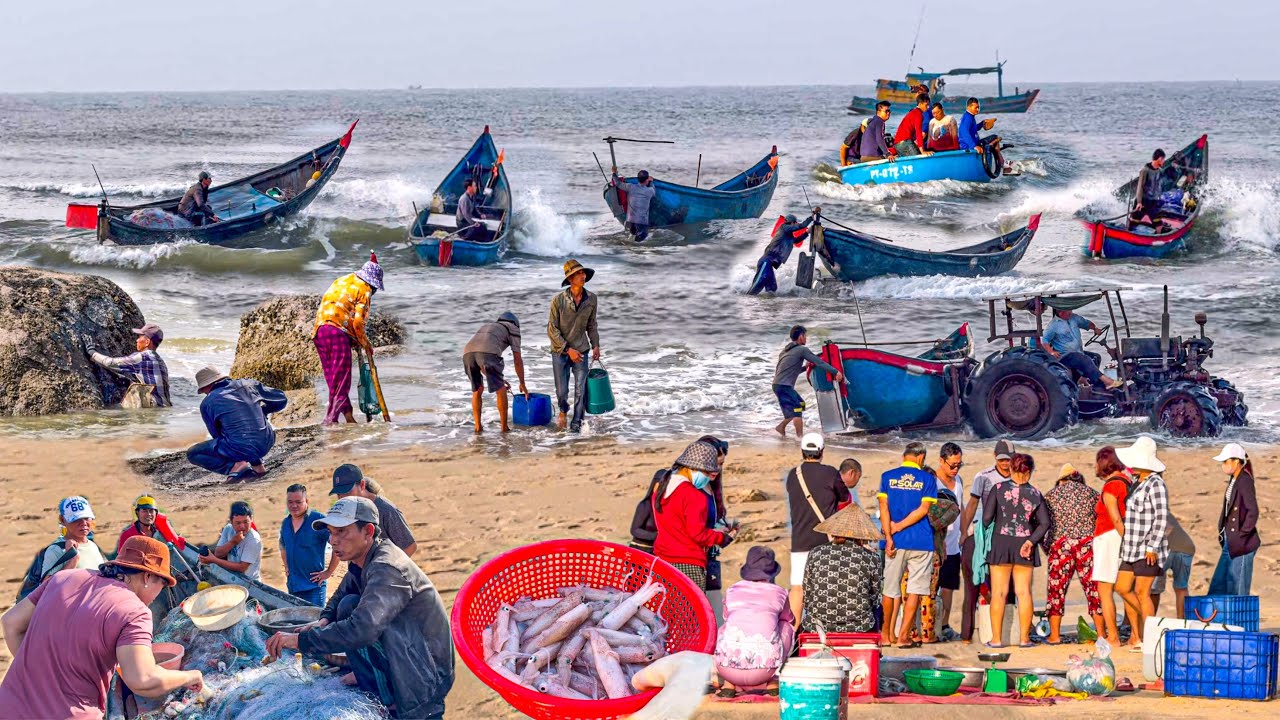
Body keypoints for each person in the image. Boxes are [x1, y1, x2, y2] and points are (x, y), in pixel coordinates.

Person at [265, 497, 454, 719]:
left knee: (357, 621)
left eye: (342, 532)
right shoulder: (362, 559)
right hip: (404, 645)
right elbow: (342, 593)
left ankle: (397, 700)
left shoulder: (386, 568)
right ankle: (374, 682)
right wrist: (324, 619)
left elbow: (362, 629)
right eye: (331, 533)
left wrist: (300, 640)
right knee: (347, 604)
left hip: (425, 671)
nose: (333, 541)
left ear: (368, 531)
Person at [0, 536, 203, 719]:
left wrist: (40, 675)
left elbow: (11, 622)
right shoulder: (136, 611)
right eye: (162, 585)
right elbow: (143, 679)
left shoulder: (63, 578)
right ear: (148, 577)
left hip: (9, 707)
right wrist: (189, 676)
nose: (159, 593)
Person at [982, 453, 1049, 648]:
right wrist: (1030, 541)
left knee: (999, 593)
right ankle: (1024, 639)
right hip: (1025, 544)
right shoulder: (1035, 494)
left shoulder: (998, 489)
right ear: (1030, 470)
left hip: (1001, 542)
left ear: (1011, 468)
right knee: (1024, 593)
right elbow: (1045, 523)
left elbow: (986, 518)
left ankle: (996, 639)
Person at [783, 433, 850, 624]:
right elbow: (844, 498)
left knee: (798, 588)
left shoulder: (793, 475)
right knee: (828, 587)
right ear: (821, 451)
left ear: (802, 451)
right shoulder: (830, 473)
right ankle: (825, 629)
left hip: (800, 539)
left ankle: (793, 631)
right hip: (826, 539)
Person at [651, 441, 737, 590]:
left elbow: (677, 524)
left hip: (662, 559)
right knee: (690, 605)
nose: (709, 478)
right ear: (693, 468)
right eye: (707, 473)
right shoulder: (693, 495)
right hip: (688, 564)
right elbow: (698, 535)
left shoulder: (661, 486)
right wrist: (722, 537)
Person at [878, 442, 938, 649]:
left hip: (895, 541)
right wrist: (900, 526)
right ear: (921, 457)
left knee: (890, 589)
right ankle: (903, 636)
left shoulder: (887, 476)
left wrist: (889, 534)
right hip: (921, 540)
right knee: (915, 590)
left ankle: (885, 635)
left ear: (904, 457)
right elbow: (923, 510)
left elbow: (883, 508)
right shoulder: (928, 479)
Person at [314, 253, 385, 425]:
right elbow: (358, 322)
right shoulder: (364, 289)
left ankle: (348, 417)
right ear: (372, 284)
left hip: (320, 331)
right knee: (342, 381)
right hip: (337, 333)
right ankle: (330, 420)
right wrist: (365, 342)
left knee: (334, 379)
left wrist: (353, 338)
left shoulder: (342, 280)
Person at [713, 547, 794, 697]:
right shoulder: (780, 592)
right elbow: (789, 619)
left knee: (726, 627)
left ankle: (729, 684)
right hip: (764, 671)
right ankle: (772, 682)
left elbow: (726, 617)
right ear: (772, 572)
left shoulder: (732, 590)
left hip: (725, 669)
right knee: (785, 626)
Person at [1114, 437, 1169, 652]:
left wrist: (1152, 547)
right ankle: (1152, 628)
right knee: (1122, 587)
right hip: (1131, 548)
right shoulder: (1138, 481)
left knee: (1142, 592)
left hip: (1147, 548)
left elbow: (1161, 517)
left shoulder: (1156, 483)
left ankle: (1151, 637)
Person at [186, 366, 287, 480]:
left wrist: (236, 458)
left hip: (241, 447)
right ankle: (258, 467)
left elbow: (217, 434)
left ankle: (234, 467)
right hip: (268, 440)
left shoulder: (207, 403)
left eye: (203, 390)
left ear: (207, 386)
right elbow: (281, 399)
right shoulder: (248, 384)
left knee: (193, 453)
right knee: (246, 432)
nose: (204, 393)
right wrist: (262, 411)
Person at [959, 439, 1015, 643]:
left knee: (1007, 586)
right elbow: (972, 504)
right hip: (983, 534)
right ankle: (966, 635)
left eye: (1008, 460)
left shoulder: (1019, 476)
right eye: (1001, 460)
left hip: (1007, 536)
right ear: (995, 457)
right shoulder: (983, 476)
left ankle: (1008, 631)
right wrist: (964, 532)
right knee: (972, 588)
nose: (1005, 464)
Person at [1042, 464, 1103, 644]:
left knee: (1056, 590)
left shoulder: (1051, 495)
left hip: (1061, 545)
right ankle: (1101, 634)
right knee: (1094, 590)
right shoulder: (1092, 493)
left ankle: (1054, 636)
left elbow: (1044, 524)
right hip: (1087, 544)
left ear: (1061, 480)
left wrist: (1047, 547)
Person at [800, 503, 883, 634]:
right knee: (878, 609)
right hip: (860, 626)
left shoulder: (816, 552)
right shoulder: (872, 558)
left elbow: (807, 592)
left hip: (816, 625)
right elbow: (875, 597)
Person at [547, 259, 601, 433]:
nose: (582, 276)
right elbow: (552, 330)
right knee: (562, 391)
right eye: (577, 274)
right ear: (570, 279)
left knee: (580, 389)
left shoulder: (592, 299)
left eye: (583, 272)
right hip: (560, 351)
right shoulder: (558, 300)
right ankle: (563, 411)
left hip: (581, 349)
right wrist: (567, 349)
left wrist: (595, 345)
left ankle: (577, 423)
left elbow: (592, 325)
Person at [20, 497, 107, 600]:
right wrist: (72, 560)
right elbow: (46, 589)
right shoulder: (56, 550)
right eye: (76, 519)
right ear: (62, 520)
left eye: (87, 518)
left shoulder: (92, 546)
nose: (83, 523)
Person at [330, 464, 419, 556]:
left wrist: (390, 564)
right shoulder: (347, 509)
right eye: (339, 494)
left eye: (347, 492)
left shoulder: (386, 510)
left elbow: (410, 547)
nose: (343, 497)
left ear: (362, 485)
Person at [772, 325, 844, 437]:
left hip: (778, 385)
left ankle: (781, 427)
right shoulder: (802, 350)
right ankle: (799, 438)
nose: (806, 338)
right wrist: (835, 372)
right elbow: (819, 362)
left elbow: (788, 371)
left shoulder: (785, 352)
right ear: (801, 336)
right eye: (805, 336)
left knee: (800, 405)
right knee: (797, 410)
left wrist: (805, 368)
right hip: (784, 386)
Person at [463, 311, 528, 433]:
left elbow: (480, 356)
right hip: (488, 353)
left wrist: (499, 379)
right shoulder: (513, 328)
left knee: (477, 390)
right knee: (500, 389)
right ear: (515, 323)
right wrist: (522, 383)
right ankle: (504, 428)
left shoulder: (488, 326)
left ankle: (478, 427)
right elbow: (517, 359)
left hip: (467, 353)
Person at [1092, 445, 1130, 646]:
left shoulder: (1111, 486)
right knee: (1126, 589)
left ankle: (1113, 636)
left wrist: (1127, 540)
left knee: (1105, 589)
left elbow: (1115, 519)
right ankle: (1136, 634)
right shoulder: (1128, 481)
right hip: (1120, 537)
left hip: (1109, 537)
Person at [1209, 442, 1259, 596]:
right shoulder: (1234, 479)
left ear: (1236, 461)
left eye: (1226, 461)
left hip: (1242, 544)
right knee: (1218, 587)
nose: (1223, 465)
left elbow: (1253, 511)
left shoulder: (1244, 480)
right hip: (1229, 541)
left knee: (1237, 591)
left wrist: (1242, 534)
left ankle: (1236, 615)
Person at [280, 484, 339, 607]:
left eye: (298, 502)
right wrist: (286, 566)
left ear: (306, 501)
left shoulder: (318, 520)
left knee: (315, 619)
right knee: (295, 618)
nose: (294, 506)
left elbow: (338, 544)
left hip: (314, 587)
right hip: (293, 586)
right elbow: (283, 545)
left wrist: (328, 572)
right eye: (290, 502)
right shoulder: (285, 523)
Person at [87, 323, 171, 408]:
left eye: (140, 337)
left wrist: (92, 353)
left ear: (147, 342)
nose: (137, 340)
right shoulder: (160, 361)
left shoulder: (143, 357)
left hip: (154, 407)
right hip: (165, 407)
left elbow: (110, 363)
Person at [1042, 307, 1124, 390]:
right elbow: (1045, 341)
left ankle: (1086, 381)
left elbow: (1086, 323)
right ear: (1061, 313)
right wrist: (1051, 352)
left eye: (1071, 311)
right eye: (1068, 313)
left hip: (1078, 352)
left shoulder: (1074, 318)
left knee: (1096, 357)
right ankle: (1108, 381)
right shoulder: (1053, 326)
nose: (1070, 314)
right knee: (1084, 359)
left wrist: (1094, 328)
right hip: (1064, 355)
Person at [933, 443, 965, 641]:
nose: (955, 469)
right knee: (931, 586)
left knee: (948, 586)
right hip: (937, 543)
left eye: (959, 465)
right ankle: (930, 626)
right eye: (952, 465)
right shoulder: (933, 481)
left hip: (954, 545)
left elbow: (961, 506)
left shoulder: (959, 480)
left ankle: (944, 625)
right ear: (941, 461)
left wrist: (965, 532)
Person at [748, 209, 820, 296]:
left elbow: (797, 240)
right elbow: (801, 226)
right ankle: (746, 299)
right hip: (766, 261)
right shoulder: (784, 227)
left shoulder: (788, 236)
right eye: (795, 223)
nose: (796, 224)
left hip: (769, 264)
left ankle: (766, 303)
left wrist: (807, 232)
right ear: (792, 223)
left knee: (772, 289)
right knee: (759, 283)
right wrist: (811, 217)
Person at [200, 500, 263, 581]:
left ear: (251, 519)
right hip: (231, 576)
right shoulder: (228, 529)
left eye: (245, 522)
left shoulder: (254, 540)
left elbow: (242, 568)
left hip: (248, 582)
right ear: (231, 522)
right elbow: (218, 554)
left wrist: (214, 560)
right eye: (238, 523)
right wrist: (233, 542)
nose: (242, 526)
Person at [1152, 511, 1195, 619]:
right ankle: (1181, 622)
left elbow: (1168, 528)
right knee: (1181, 588)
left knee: (1152, 589)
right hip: (1186, 547)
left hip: (1167, 550)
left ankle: (1149, 621)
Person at [612, 167, 657, 242]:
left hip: (630, 222)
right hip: (642, 222)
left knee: (632, 238)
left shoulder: (630, 187)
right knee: (640, 243)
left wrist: (614, 173)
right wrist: (651, 181)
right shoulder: (650, 191)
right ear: (646, 180)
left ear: (638, 179)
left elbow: (618, 183)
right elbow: (653, 190)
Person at [1131, 149, 1167, 227]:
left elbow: (1158, 186)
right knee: (1133, 221)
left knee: (1158, 223)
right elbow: (1140, 187)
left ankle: (1158, 235)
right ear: (1160, 159)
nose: (1164, 161)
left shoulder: (1160, 171)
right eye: (1163, 159)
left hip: (1153, 201)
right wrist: (1139, 202)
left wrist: (1159, 198)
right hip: (1143, 201)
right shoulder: (1145, 171)